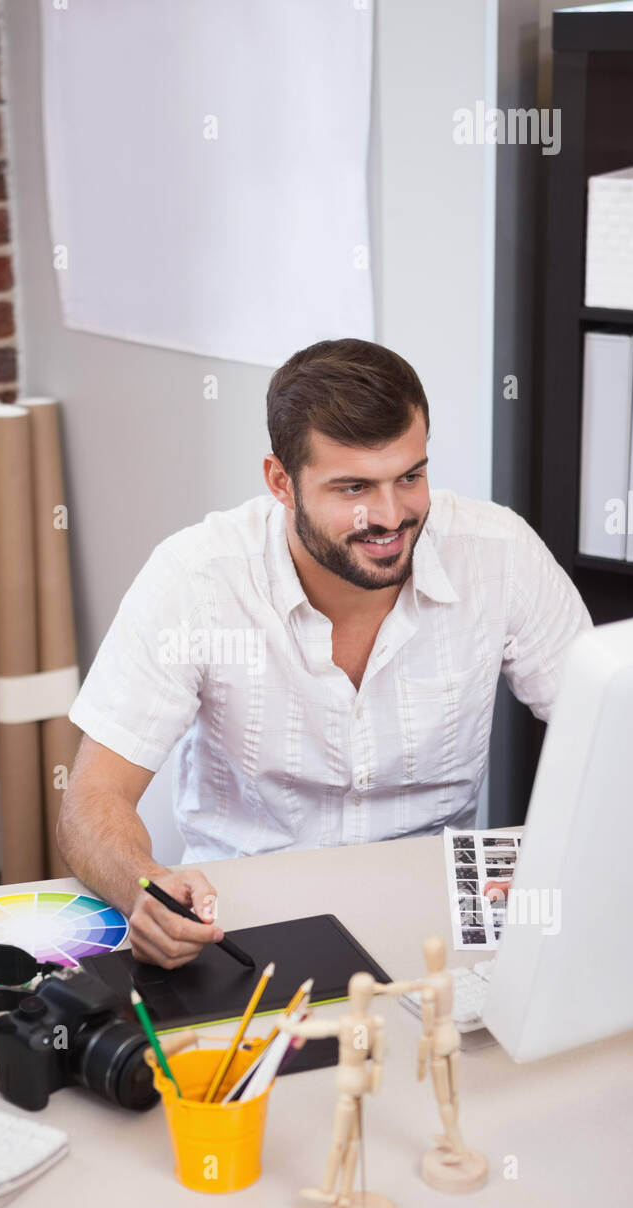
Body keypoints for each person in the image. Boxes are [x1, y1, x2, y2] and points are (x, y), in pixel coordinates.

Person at [57, 338, 591, 969]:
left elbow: (618, 739)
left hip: (435, 919)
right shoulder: (196, 577)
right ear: (281, 481)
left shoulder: (499, 554)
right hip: (245, 924)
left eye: (410, 477)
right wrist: (144, 887)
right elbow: (91, 802)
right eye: (354, 487)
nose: (391, 516)